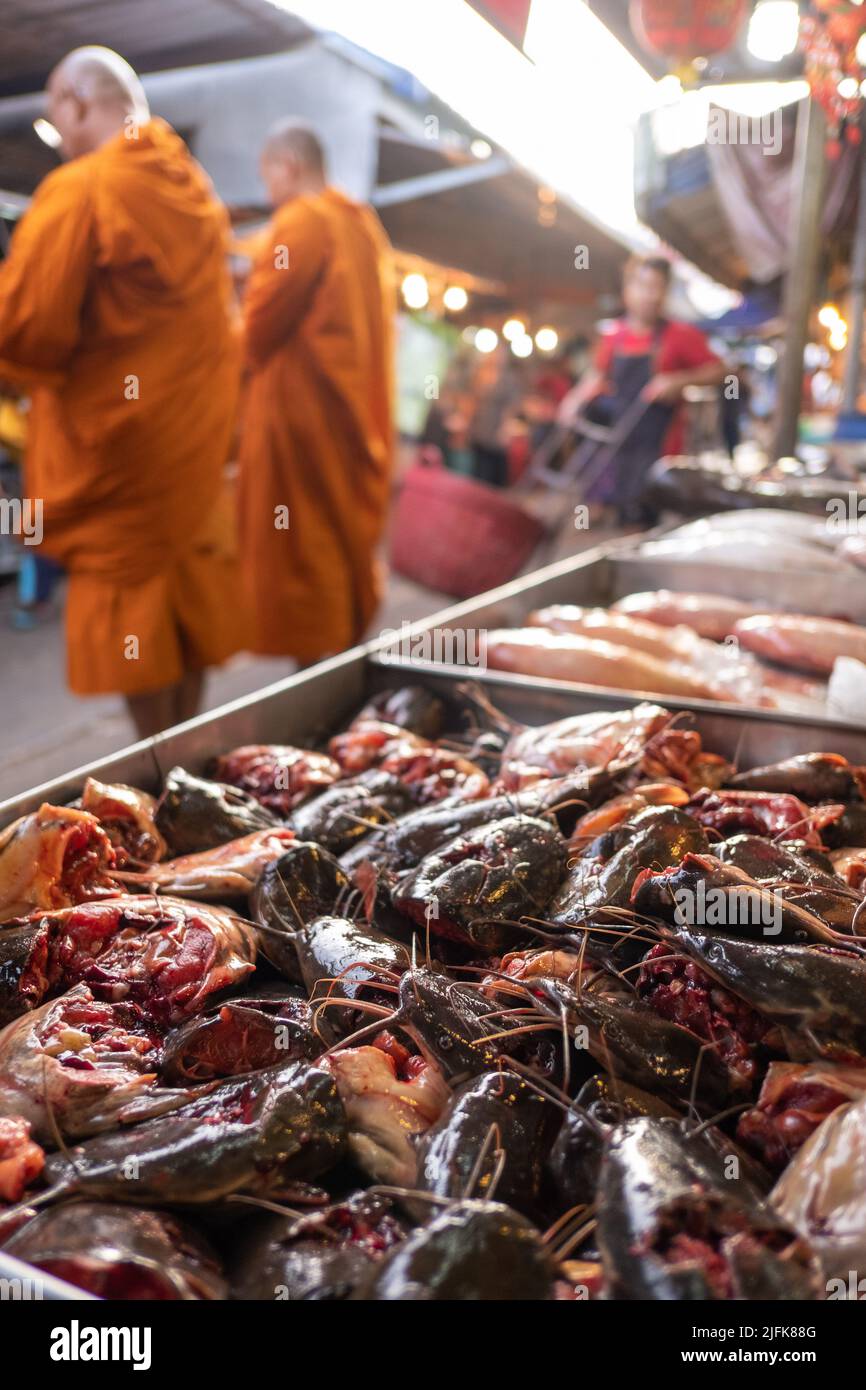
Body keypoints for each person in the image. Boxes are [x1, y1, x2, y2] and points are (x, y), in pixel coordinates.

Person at [0, 47, 243, 737]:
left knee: (134, 607)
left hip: (121, 453)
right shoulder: (196, 193)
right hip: (188, 443)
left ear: (77, 103)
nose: (59, 139)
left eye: (57, 121)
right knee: (179, 605)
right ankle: (181, 749)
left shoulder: (84, 189)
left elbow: (26, 333)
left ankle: (159, 756)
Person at [238, 120, 394, 660]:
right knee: (336, 540)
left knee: (305, 554)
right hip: (349, 417)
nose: (268, 194)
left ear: (289, 166)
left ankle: (318, 674)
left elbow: (258, 329)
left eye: (268, 178)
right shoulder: (361, 224)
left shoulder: (303, 220)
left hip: (302, 423)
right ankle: (340, 666)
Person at [558, 255, 726, 524]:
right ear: (627, 289)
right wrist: (574, 399)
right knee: (621, 513)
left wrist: (677, 381)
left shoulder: (681, 335)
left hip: (660, 450)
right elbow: (598, 374)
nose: (651, 295)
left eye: (658, 287)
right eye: (644, 286)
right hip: (620, 445)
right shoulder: (614, 335)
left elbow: (721, 371)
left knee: (646, 518)